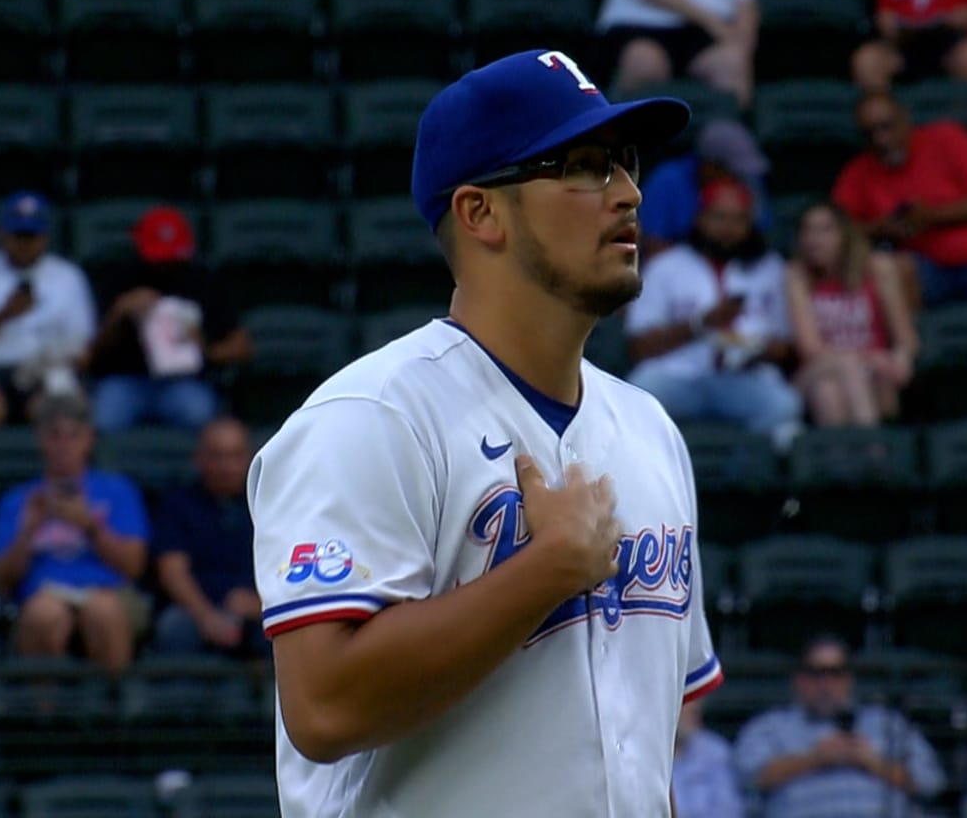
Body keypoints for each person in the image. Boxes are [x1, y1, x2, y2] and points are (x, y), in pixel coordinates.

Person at [250, 48, 722, 817]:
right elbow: (324, 708)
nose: (629, 193)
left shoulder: (651, 430)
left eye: (626, 164)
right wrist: (547, 570)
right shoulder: (372, 417)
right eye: (586, 165)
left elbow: (641, 744)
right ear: (480, 213)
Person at [625, 177, 801, 446]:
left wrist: (756, 348)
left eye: (738, 220)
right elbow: (639, 346)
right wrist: (699, 325)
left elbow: (786, 347)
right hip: (679, 376)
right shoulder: (666, 266)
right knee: (638, 392)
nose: (728, 228)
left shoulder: (770, 268)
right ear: (700, 219)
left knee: (784, 405)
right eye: (719, 218)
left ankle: (757, 475)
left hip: (743, 379)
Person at [0, 392, 151, 674]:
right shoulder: (17, 500)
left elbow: (134, 566)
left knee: (103, 611)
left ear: (89, 440)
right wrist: (28, 531)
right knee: (44, 615)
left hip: (109, 592)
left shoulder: (117, 491)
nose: (64, 445)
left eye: (73, 435)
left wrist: (88, 526)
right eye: (54, 435)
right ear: (40, 439)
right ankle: (47, 715)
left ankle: (113, 711)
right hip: (42, 593)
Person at [832, 92, 967, 310]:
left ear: (905, 120)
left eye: (886, 127)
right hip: (927, 269)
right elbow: (835, 229)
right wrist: (881, 228)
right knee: (897, 271)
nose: (880, 139)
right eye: (869, 132)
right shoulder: (858, 172)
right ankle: (913, 344)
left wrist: (931, 216)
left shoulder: (946, 138)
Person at [0, 192, 96, 437]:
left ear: (46, 236)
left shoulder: (68, 276)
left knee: (63, 412)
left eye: (31, 236)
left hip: (45, 371)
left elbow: (83, 348)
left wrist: (53, 360)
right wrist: (3, 314)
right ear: (2, 234)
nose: (24, 243)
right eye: (18, 235)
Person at [735, 635, 945, 818]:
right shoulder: (771, 726)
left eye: (835, 674)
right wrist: (815, 759)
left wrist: (871, 762)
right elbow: (748, 780)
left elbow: (929, 782)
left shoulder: (887, 723)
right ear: (798, 679)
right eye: (816, 674)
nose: (826, 685)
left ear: (849, 680)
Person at [86, 206, 251, 433]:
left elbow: (242, 347)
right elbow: (90, 353)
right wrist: (120, 312)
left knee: (198, 412)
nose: (164, 265)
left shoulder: (202, 281)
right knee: (104, 416)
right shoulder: (120, 278)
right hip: (127, 380)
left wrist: (204, 348)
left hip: (183, 382)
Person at [785, 203, 920, 426]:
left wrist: (900, 358)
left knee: (828, 393)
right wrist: (869, 358)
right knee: (848, 366)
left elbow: (907, 341)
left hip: (871, 373)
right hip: (817, 369)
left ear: (845, 234)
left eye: (825, 230)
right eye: (808, 231)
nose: (814, 239)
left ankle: (844, 459)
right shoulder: (797, 275)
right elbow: (811, 350)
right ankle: (875, 450)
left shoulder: (878, 268)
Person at [151, 417, 263, 658]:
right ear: (199, 458)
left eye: (235, 456)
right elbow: (172, 571)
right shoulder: (178, 503)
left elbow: (287, 568)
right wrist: (207, 617)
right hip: (196, 608)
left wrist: (260, 605)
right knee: (174, 627)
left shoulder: (268, 504)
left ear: (249, 458)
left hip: (257, 608)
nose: (226, 466)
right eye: (217, 456)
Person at [597, 0, 757, 109]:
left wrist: (743, 42)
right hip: (641, 28)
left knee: (732, 62)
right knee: (644, 61)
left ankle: (726, 130)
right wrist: (715, 25)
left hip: (703, 37)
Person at [639, 118, 773, 255]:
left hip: (738, 267)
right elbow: (654, 248)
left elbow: (761, 236)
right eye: (731, 172)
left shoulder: (748, 179)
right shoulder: (667, 181)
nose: (735, 179)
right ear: (709, 167)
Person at [673, 699, 745, 818]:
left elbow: (729, 808)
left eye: (696, 711)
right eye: (687, 710)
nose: (695, 716)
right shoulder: (644, 753)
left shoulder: (714, 750)